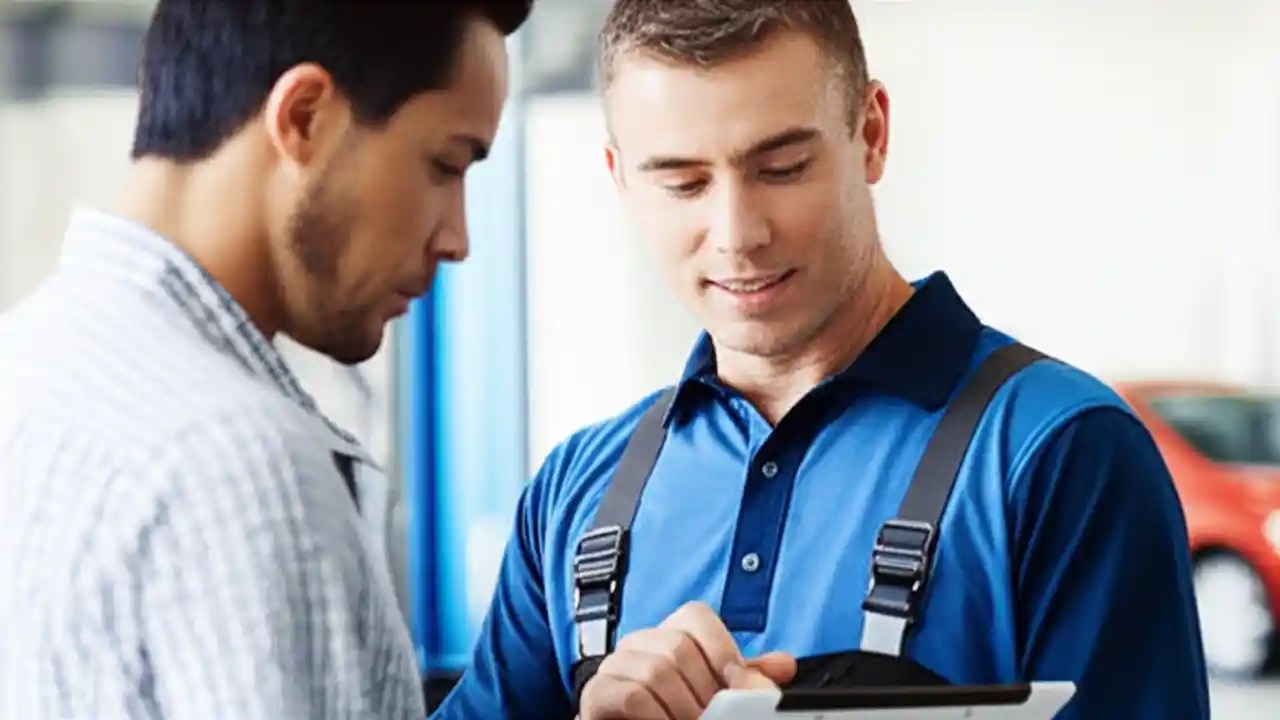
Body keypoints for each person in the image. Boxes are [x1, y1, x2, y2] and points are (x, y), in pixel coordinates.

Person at [434, 1, 1211, 718]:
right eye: (683, 182)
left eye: (781, 169)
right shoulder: (576, 492)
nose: (737, 233)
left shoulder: (1058, 455)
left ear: (870, 133)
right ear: (621, 181)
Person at [0, 1, 531, 717]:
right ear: (305, 116)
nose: (457, 237)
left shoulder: (27, 366)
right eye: (446, 164)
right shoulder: (240, 459)